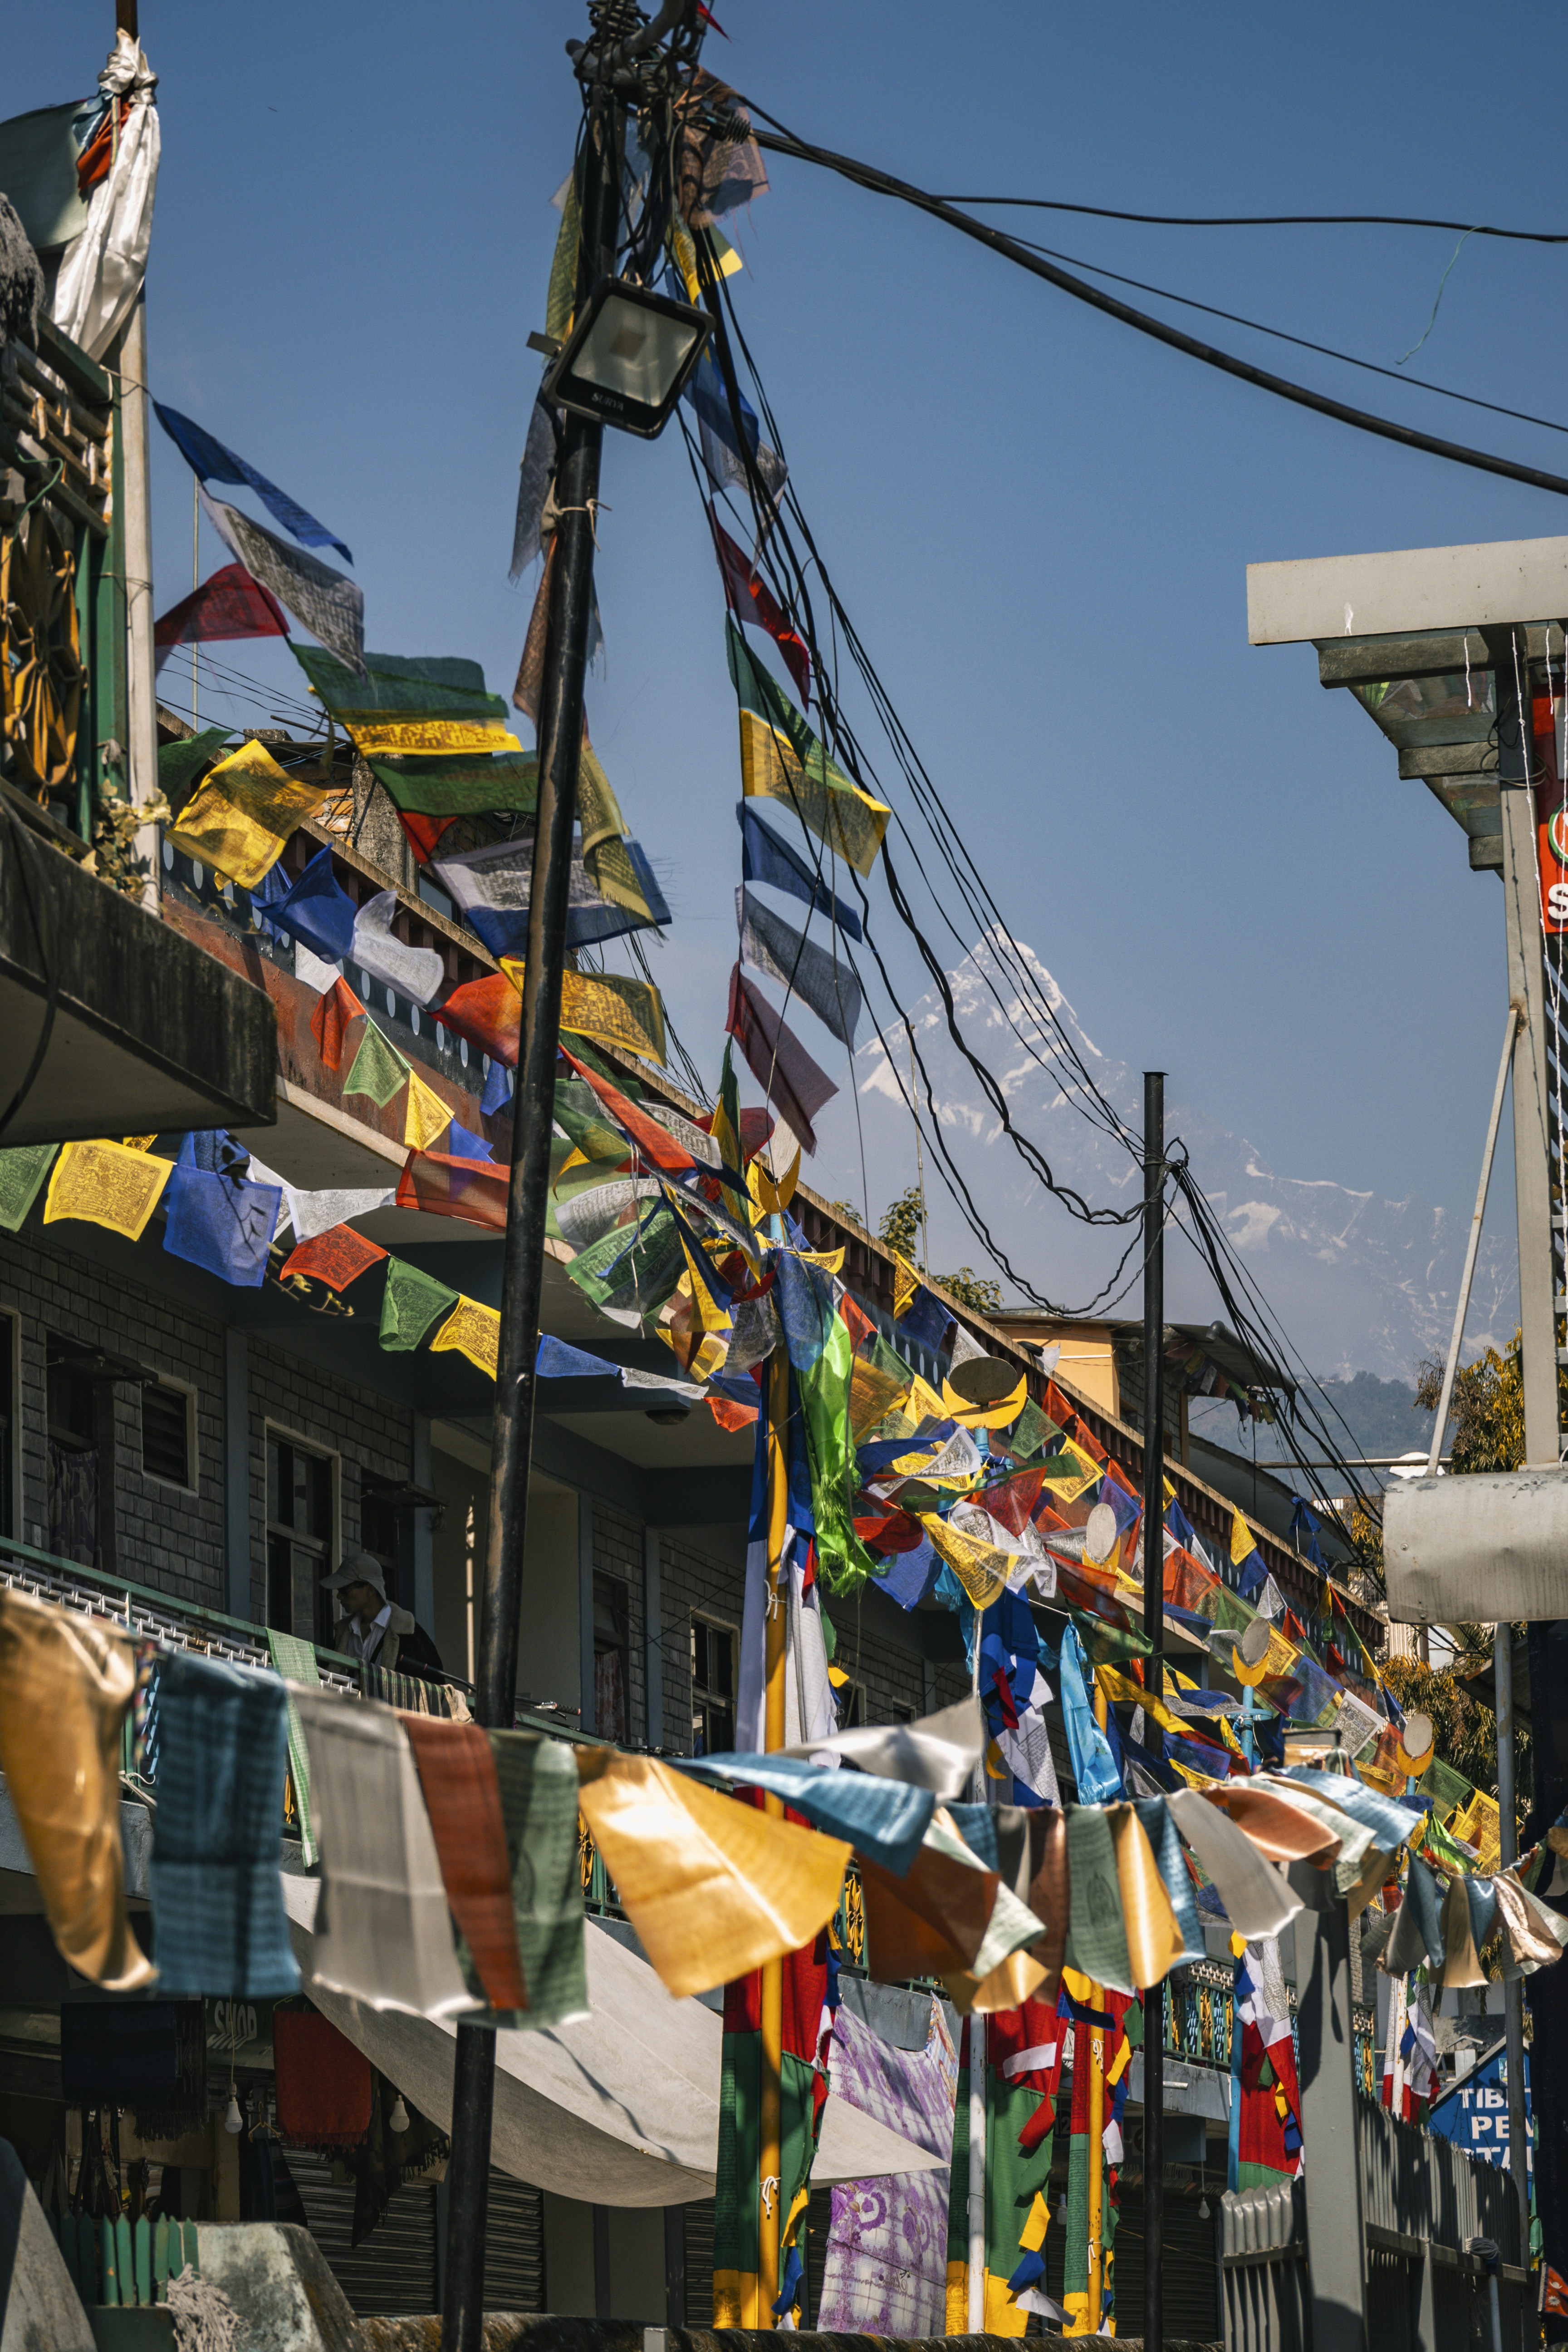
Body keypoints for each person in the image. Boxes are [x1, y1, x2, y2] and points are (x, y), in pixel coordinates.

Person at [320, 1550, 444, 1680]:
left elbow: (431, 1685)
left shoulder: (408, 1634)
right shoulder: (344, 1632)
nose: (339, 1596)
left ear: (369, 1589)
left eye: (345, 1590)